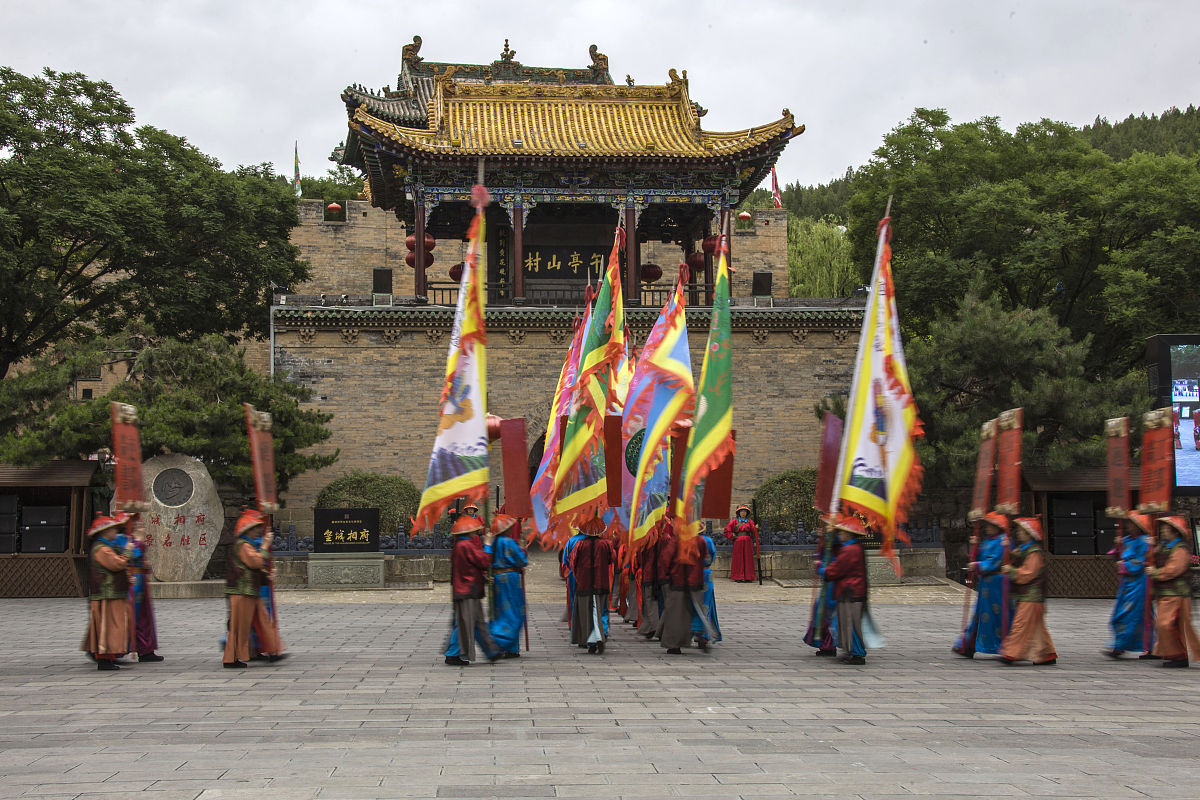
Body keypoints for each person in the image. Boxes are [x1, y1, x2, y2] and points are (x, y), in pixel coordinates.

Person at [223, 509, 285, 668]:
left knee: (263, 620)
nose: (258, 531)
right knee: (239, 626)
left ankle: (271, 650)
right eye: (255, 528)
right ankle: (231, 658)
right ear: (248, 530)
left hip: (250, 591)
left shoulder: (247, 544)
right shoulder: (243, 545)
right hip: (242, 592)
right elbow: (256, 562)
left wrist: (266, 575)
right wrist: (265, 545)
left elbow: (256, 566)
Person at [954, 512, 1013, 659]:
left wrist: (977, 565)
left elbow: (994, 561)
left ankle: (1006, 647)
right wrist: (974, 548)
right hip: (986, 585)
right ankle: (968, 645)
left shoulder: (1003, 541)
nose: (987, 528)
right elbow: (978, 557)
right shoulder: (987, 541)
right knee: (980, 614)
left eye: (990, 525)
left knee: (998, 615)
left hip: (998, 584)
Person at [999, 517, 1057, 666]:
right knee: (1037, 627)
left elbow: (1028, 573)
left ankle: (1012, 653)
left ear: (1029, 534)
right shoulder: (1024, 549)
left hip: (1031, 595)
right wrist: (1007, 549)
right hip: (1028, 595)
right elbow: (1015, 558)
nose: (1018, 533)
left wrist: (1011, 571)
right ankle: (1045, 653)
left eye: (1021, 531)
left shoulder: (1034, 553)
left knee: (1021, 624)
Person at [445, 514, 500, 666]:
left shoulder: (460, 546)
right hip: (467, 591)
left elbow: (469, 568)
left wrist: (483, 579)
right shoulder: (466, 545)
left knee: (475, 622)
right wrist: (487, 545)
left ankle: (491, 651)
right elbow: (484, 561)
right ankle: (453, 653)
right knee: (465, 623)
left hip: (467, 589)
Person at [1147, 515, 1200, 668]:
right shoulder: (1163, 546)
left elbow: (1174, 569)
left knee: (1166, 624)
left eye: (1166, 529)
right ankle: (1174, 654)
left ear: (1175, 532)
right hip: (1166, 592)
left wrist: (1156, 573)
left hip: (1177, 593)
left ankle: (1178, 655)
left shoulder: (1180, 549)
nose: (1163, 531)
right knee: (1166, 624)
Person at [82, 513, 133, 671]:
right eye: (113, 529)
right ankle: (104, 658)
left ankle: (108, 657)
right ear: (104, 532)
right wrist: (127, 552)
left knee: (111, 626)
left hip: (110, 593)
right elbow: (117, 564)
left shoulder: (105, 547)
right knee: (108, 626)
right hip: (107, 594)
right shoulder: (102, 549)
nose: (116, 532)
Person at [1103, 513, 1154, 658]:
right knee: (1122, 612)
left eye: (1132, 523)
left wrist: (1124, 564)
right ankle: (1122, 644)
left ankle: (1127, 645)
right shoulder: (1126, 540)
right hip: (1127, 583)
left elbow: (1140, 562)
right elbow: (1117, 555)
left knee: (1133, 613)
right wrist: (1118, 546)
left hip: (1139, 582)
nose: (1129, 526)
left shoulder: (1145, 541)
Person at [823, 515, 869, 665]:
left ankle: (857, 653)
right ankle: (852, 650)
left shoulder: (850, 550)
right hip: (852, 591)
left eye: (842, 532)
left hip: (850, 592)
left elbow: (836, 570)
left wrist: (824, 571)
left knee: (851, 624)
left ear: (849, 533)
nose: (840, 534)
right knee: (849, 623)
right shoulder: (855, 547)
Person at [117, 516, 163, 663]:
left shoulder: (132, 537)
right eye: (136, 522)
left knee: (143, 615)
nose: (140, 524)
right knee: (131, 614)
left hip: (141, 579)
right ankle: (117, 650)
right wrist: (137, 541)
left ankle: (145, 649)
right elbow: (130, 555)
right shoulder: (121, 539)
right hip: (132, 580)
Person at [569, 517, 615, 653]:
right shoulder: (606, 544)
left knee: (586, 613)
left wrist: (578, 575)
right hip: (601, 582)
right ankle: (600, 635)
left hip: (584, 584)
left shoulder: (579, 544)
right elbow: (612, 559)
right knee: (601, 611)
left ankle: (591, 641)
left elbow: (572, 562)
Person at [486, 514, 527, 658]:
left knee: (499, 611)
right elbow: (522, 560)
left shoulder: (493, 543)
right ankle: (508, 645)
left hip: (497, 578)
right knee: (514, 612)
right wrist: (522, 548)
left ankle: (502, 644)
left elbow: (487, 559)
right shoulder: (509, 542)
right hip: (511, 579)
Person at [803, 516, 839, 657]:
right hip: (828, 579)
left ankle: (829, 644)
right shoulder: (827, 537)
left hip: (833, 581)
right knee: (820, 610)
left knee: (826, 611)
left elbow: (834, 560)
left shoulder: (836, 539)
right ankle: (825, 643)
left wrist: (821, 565)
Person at [690, 531, 722, 651]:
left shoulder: (689, 541)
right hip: (706, 573)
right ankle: (704, 634)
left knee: (693, 604)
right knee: (706, 604)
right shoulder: (708, 541)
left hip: (693, 574)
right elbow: (712, 555)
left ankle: (696, 631)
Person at [635, 520, 666, 639]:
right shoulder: (664, 538)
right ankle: (655, 627)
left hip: (648, 574)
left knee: (649, 601)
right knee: (656, 601)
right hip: (660, 575)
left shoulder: (645, 539)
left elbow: (639, 557)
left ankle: (653, 627)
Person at [723, 504, 759, 582]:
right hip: (738, 542)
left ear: (747, 513)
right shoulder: (734, 522)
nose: (743, 513)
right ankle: (738, 577)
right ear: (739, 513)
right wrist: (734, 536)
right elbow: (726, 531)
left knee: (748, 559)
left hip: (747, 542)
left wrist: (755, 528)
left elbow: (754, 533)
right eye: (741, 511)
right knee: (738, 559)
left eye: (744, 511)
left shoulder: (750, 522)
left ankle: (748, 577)